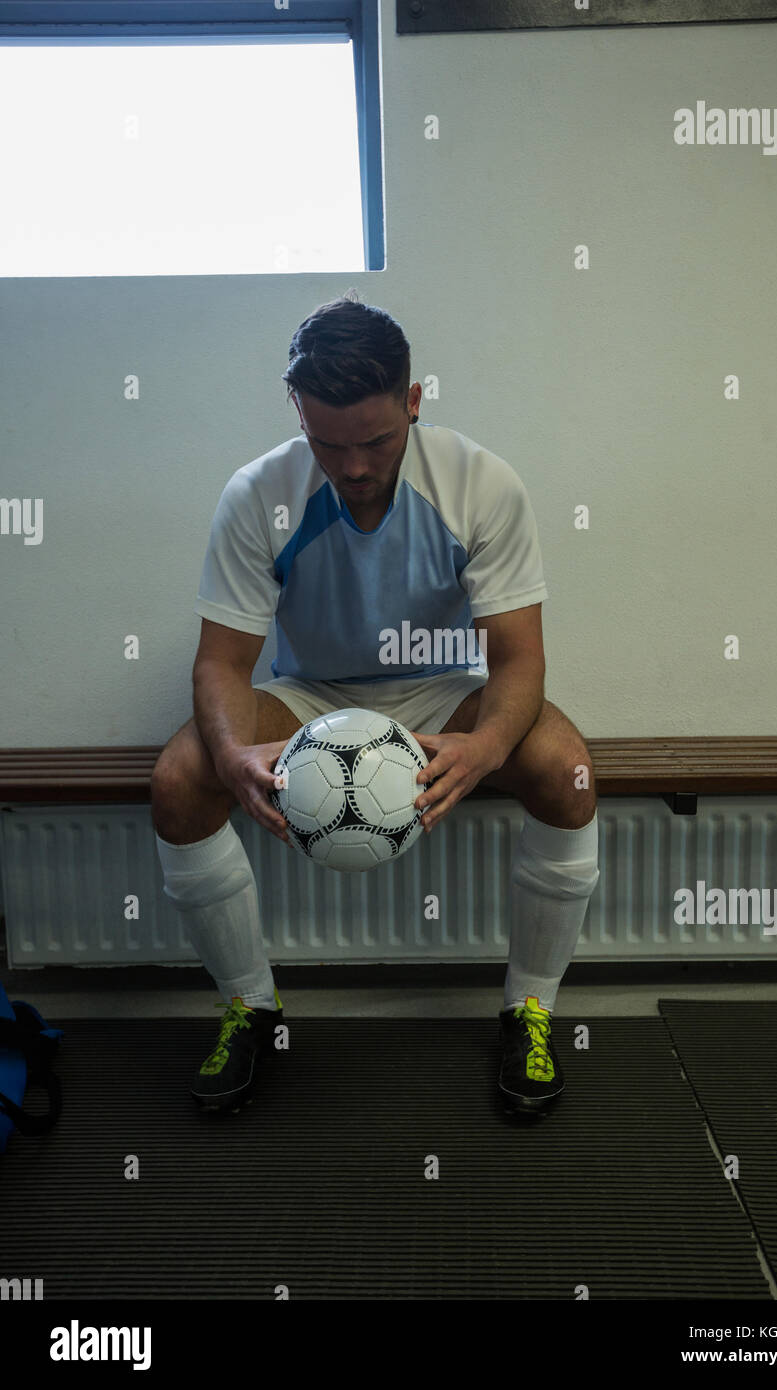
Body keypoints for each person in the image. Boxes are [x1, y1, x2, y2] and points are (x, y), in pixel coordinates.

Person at [150, 292, 600, 1117]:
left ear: (415, 401)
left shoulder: (481, 484)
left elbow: (519, 660)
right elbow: (220, 664)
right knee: (180, 780)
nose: (353, 466)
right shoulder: (258, 495)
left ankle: (530, 1009)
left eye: (376, 440)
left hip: (441, 690)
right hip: (309, 695)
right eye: (328, 442)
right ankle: (249, 1008)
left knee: (565, 771)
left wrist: (487, 748)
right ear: (297, 411)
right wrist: (228, 754)